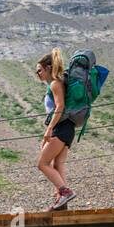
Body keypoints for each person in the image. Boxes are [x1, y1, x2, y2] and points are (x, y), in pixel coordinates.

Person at [35, 50, 76, 210]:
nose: (37, 73)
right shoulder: (56, 83)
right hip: (66, 128)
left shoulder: (55, 83)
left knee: (42, 163)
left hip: (61, 128)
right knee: (57, 164)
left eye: (39, 70)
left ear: (47, 68)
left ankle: (65, 193)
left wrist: (49, 129)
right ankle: (62, 202)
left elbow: (60, 107)